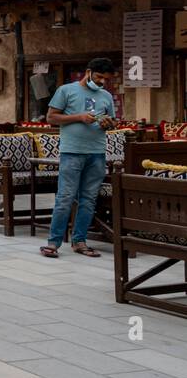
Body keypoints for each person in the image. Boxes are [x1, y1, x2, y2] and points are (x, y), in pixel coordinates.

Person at [40, 58, 118, 259]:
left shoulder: (106, 96)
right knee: (65, 197)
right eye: (99, 77)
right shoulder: (66, 90)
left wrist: (108, 124)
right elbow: (51, 117)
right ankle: (53, 242)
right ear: (88, 72)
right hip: (72, 152)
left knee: (89, 199)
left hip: (97, 153)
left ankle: (80, 241)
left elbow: (113, 121)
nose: (101, 82)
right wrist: (79, 117)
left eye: (106, 79)